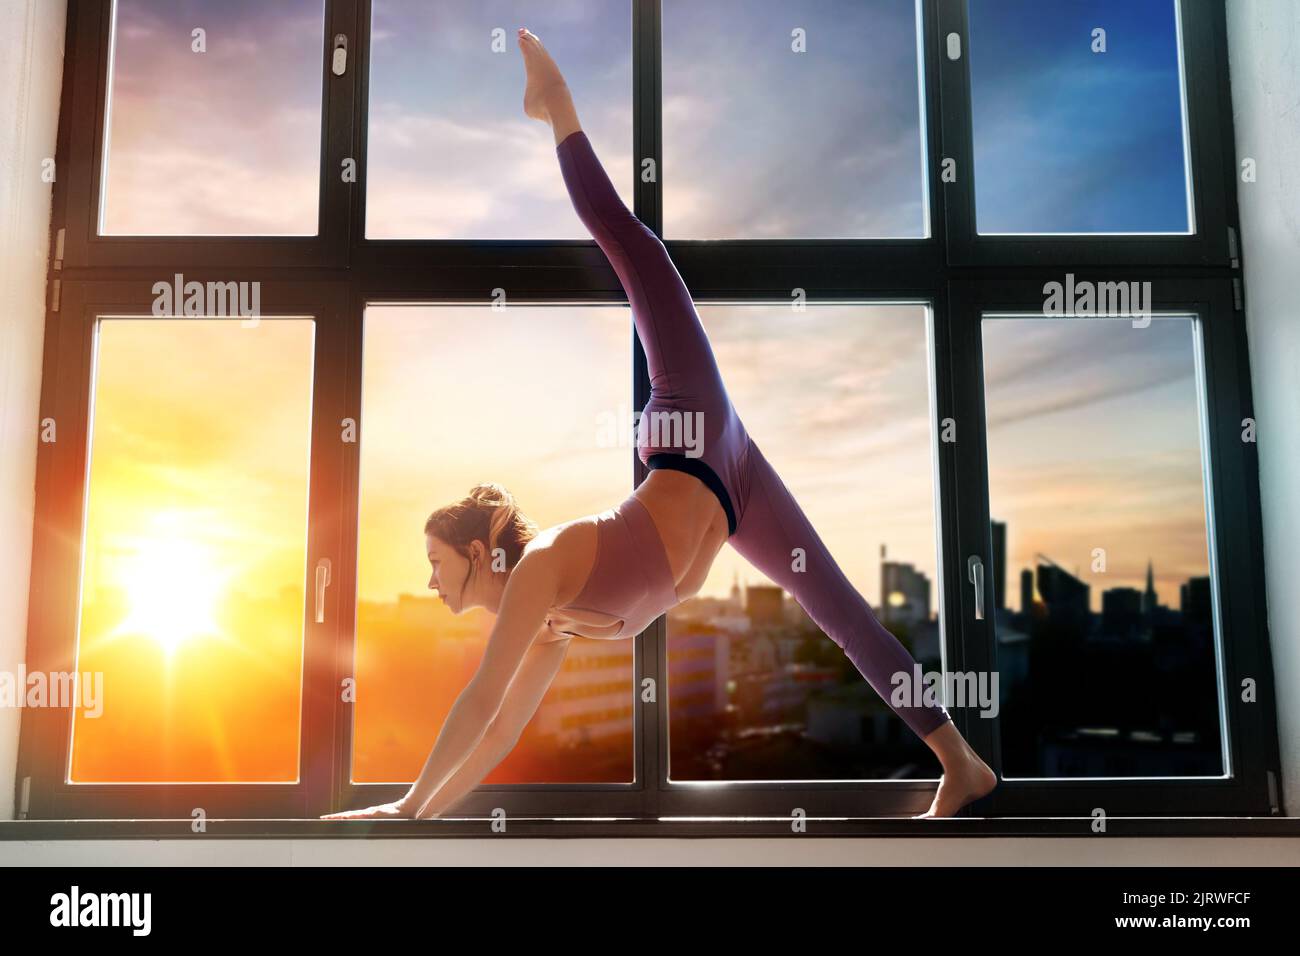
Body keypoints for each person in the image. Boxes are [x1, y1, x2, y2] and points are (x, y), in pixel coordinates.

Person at [323, 27, 996, 822]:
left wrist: (403, 810)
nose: (429, 580)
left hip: (690, 419)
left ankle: (557, 103)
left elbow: (477, 699)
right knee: (841, 609)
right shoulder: (549, 624)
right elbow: (501, 729)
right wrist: (422, 820)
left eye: (437, 562)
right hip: (734, 487)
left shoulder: (540, 570)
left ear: (479, 552)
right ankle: (963, 762)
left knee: (632, 248)